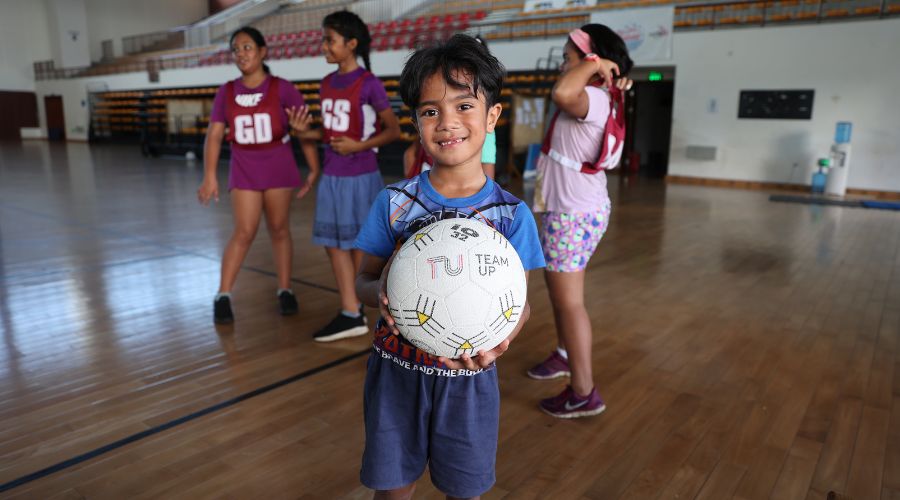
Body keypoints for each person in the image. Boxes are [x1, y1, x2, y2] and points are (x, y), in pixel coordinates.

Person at [354, 34, 545, 499]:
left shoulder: (512, 216)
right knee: (393, 488)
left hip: (469, 382)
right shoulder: (395, 203)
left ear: (492, 116)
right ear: (417, 123)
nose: (448, 123)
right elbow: (360, 282)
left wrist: (499, 346)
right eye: (430, 111)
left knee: (465, 489)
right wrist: (376, 291)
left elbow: (517, 306)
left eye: (464, 106)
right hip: (397, 375)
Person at [525, 24, 634, 418]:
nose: (564, 60)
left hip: (572, 214)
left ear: (592, 58)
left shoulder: (592, 96)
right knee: (561, 296)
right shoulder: (601, 95)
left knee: (570, 303)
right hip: (571, 208)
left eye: (570, 54)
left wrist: (593, 63)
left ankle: (584, 392)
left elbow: (562, 92)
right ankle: (563, 354)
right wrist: (593, 64)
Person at [197, 26, 318, 325]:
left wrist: (314, 167)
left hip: (278, 162)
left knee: (279, 228)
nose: (241, 54)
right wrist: (209, 175)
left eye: (247, 47)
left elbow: (304, 130)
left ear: (263, 51)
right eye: (236, 49)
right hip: (244, 165)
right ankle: (222, 295)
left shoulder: (283, 88)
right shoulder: (226, 91)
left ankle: (285, 289)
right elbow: (213, 136)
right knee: (244, 230)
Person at [300, 10, 401, 342]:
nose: (324, 46)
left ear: (352, 43)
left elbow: (393, 130)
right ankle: (349, 311)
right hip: (332, 173)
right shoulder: (326, 83)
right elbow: (330, 133)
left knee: (360, 247)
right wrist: (306, 132)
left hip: (360, 175)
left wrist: (361, 144)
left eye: (330, 40)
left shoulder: (368, 82)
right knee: (333, 244)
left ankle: (369, 312)